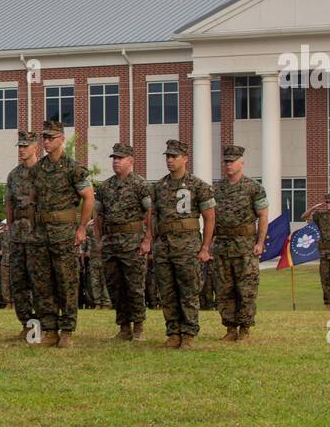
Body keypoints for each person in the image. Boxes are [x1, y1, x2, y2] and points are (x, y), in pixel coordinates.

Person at [26, 120, 94, 348]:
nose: (46, 141)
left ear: (62, 139)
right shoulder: (37, 169)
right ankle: (49, 330)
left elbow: (89, 197)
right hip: (41, 234)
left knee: (67, 282)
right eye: (44, 137)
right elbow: (33, 198)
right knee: (43, 283)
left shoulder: (74, 168)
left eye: (51, 137)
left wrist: (82, 227)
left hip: (64, 233)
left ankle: (67, 331)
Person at [148, 139, 215, 349]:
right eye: (168, 156)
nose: (170, 160)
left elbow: (210, 218)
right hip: (164, 246)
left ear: (185, 158)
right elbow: (153, 217)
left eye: (174, 156)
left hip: (187, 246)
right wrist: (151, 241)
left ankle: (188, 333)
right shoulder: (158, 187)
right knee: (166, 291)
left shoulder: (199, 186)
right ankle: (173, 332)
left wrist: (205, 247)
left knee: (188, 290)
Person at [93, 141, 150, 342]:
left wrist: (147, 240)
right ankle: (124, 327)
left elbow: (151, 213)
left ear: (131, 161)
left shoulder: (140, 185)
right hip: (111, 243)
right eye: (114, 158)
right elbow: (97, 214)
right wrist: (99, 239)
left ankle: (139, 327)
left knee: (134, 286)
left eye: (120, 158)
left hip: (132, 242)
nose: (116, 162)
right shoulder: (105, 186)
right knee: (115, 286)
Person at [210, 144, 267, 341]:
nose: (228, 165)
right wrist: (208, 243)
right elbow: (210, 218)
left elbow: (263, 216)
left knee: (247, 289)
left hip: (245, 246)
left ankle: (245, 328)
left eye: (232, 161)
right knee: (224, 289)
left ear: (241, 163)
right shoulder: (216, 188)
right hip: (223, 245)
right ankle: (230, 328)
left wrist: (260, 242)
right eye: (226, 161)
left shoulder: (254, 188)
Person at [5, 130, 42, 340]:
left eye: (25, 146)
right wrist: (10, 227)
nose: (21, 150)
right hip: (18, 234)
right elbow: (9, 203)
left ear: (35, 148)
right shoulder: (14, 174)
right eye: (19, 146)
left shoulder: (43, 172)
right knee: (18, 282)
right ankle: (27, 325)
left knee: (39, 282)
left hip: (37, 233)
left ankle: (40, 326)